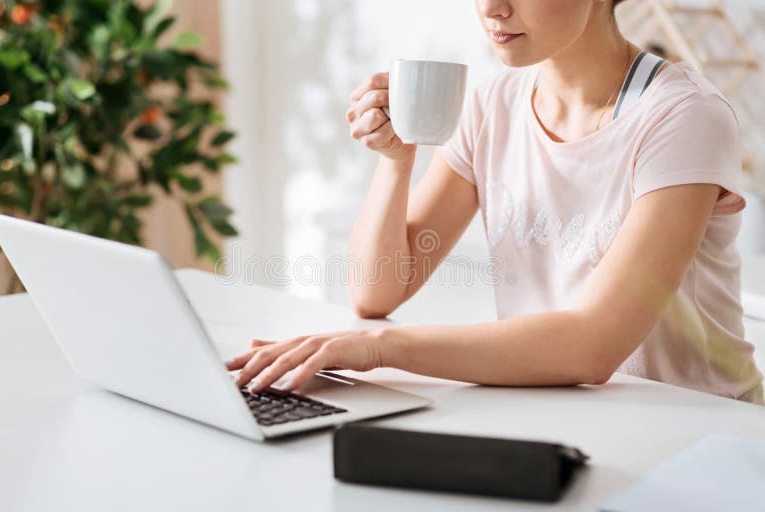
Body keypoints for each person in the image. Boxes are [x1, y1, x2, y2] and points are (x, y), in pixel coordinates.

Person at [228, 0, 763, 404]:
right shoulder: (491, 106)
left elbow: (594, 345)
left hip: (699, 424)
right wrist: (396, 160)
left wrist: (379, 349)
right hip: (563, 408)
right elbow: (376, 290)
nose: (490, 8)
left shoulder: (684, 117)